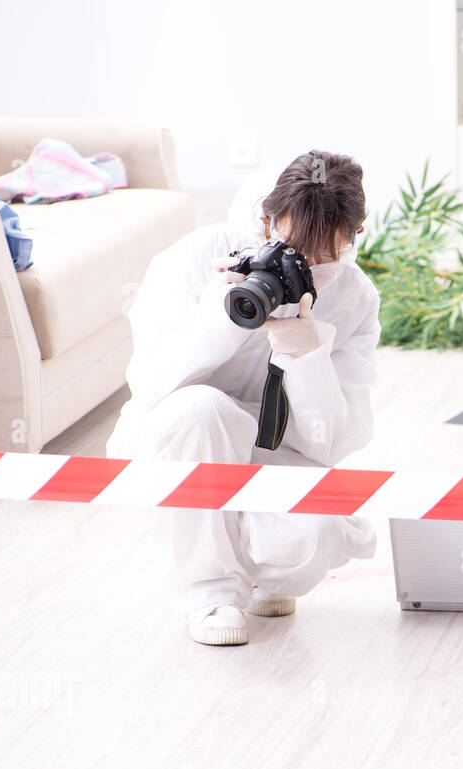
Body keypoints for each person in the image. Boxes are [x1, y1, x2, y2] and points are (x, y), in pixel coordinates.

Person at [106, 150, 382, 646]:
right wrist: (221, 320)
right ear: (267, 221)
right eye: (294, 248)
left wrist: (307, 355)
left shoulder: (356, 297)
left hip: (277, 446)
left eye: (325, 257)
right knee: (200, 410)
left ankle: (268, 579)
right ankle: (209, 594)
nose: (307, 267)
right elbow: (152, 388)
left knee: (317, 534)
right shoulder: (198, 256)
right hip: (185, 439)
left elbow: (331, 441)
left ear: (352, 241)